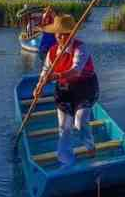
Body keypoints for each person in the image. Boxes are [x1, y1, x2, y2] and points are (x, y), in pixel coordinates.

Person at [36, 15, 99, 166]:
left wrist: (56, 75)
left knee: (81, 120)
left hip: (84, 88)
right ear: (55, 34)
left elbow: (76, 70)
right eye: (58, 34)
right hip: (64, 90)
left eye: (65, 34)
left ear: (72, 33)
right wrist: (38, 86)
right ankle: (66, 161)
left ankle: (89, 144)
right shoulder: (52, 52)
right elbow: (45, 71)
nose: (61, 37)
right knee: (64, 128)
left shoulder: (81, 48)